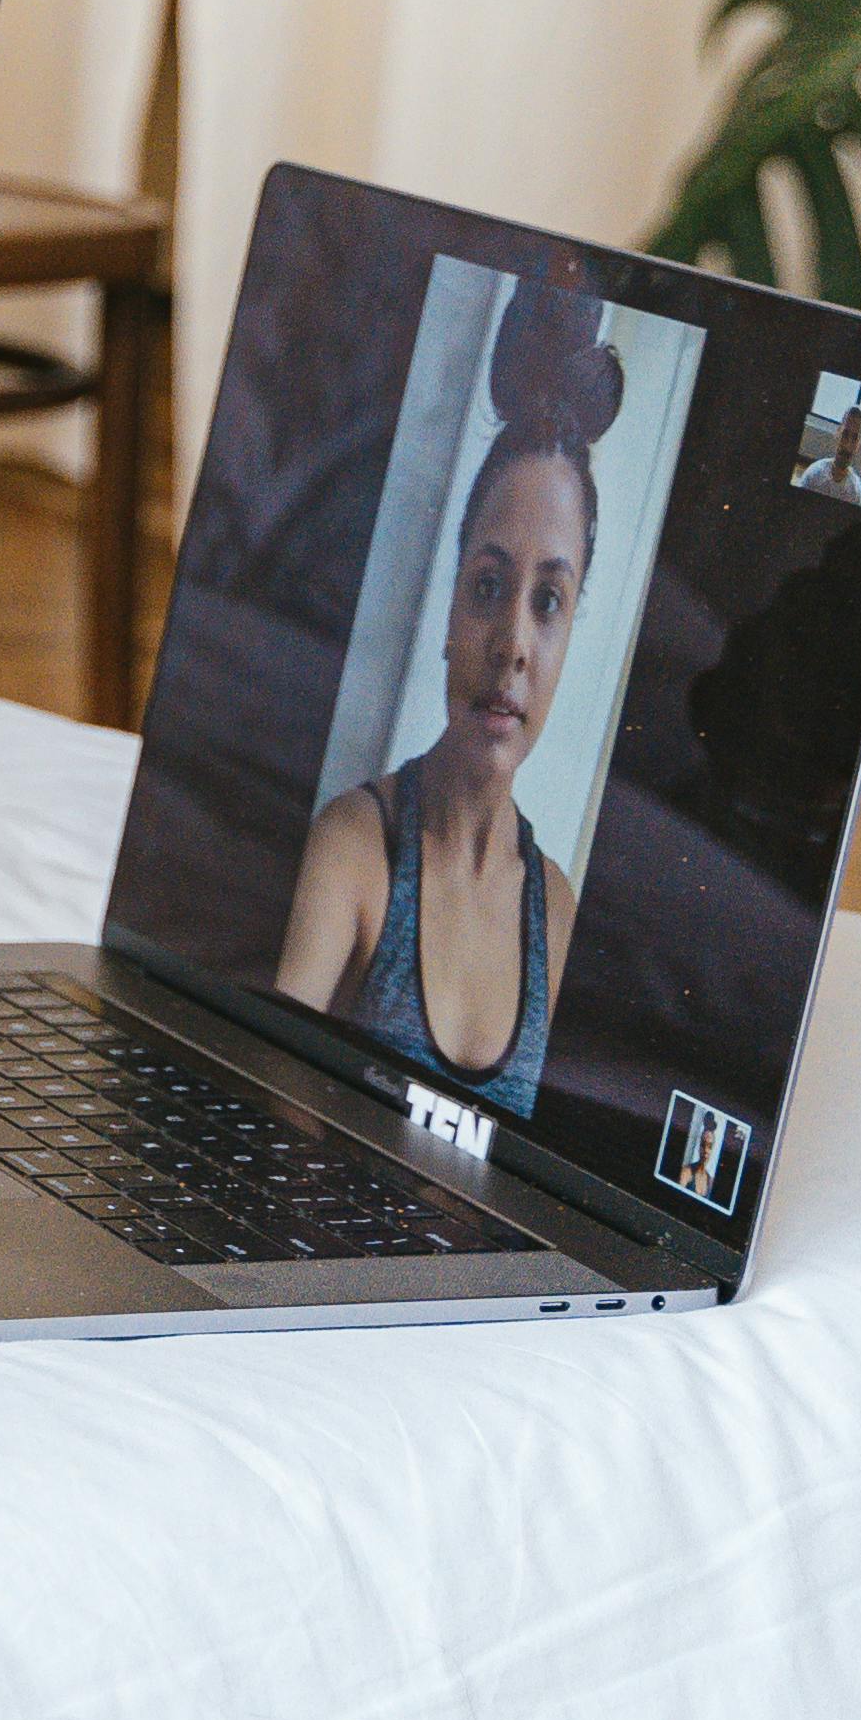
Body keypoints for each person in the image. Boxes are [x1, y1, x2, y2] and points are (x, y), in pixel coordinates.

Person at [264, 292, 622, 1117]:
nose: (513, 644)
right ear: (450, 616)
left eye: (549, 601)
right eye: (489, 588)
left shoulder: (560, 914)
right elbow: (266, 1095)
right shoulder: (356, 849)